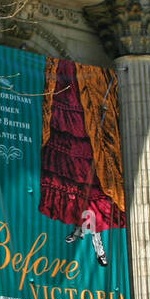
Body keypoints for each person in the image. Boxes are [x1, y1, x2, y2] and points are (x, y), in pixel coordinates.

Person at [39, 58, 126, 267]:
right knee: (76, 188)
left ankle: (97, 247)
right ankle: (83, 232)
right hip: (66, 114)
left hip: (86, 129)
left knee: (90, 192)